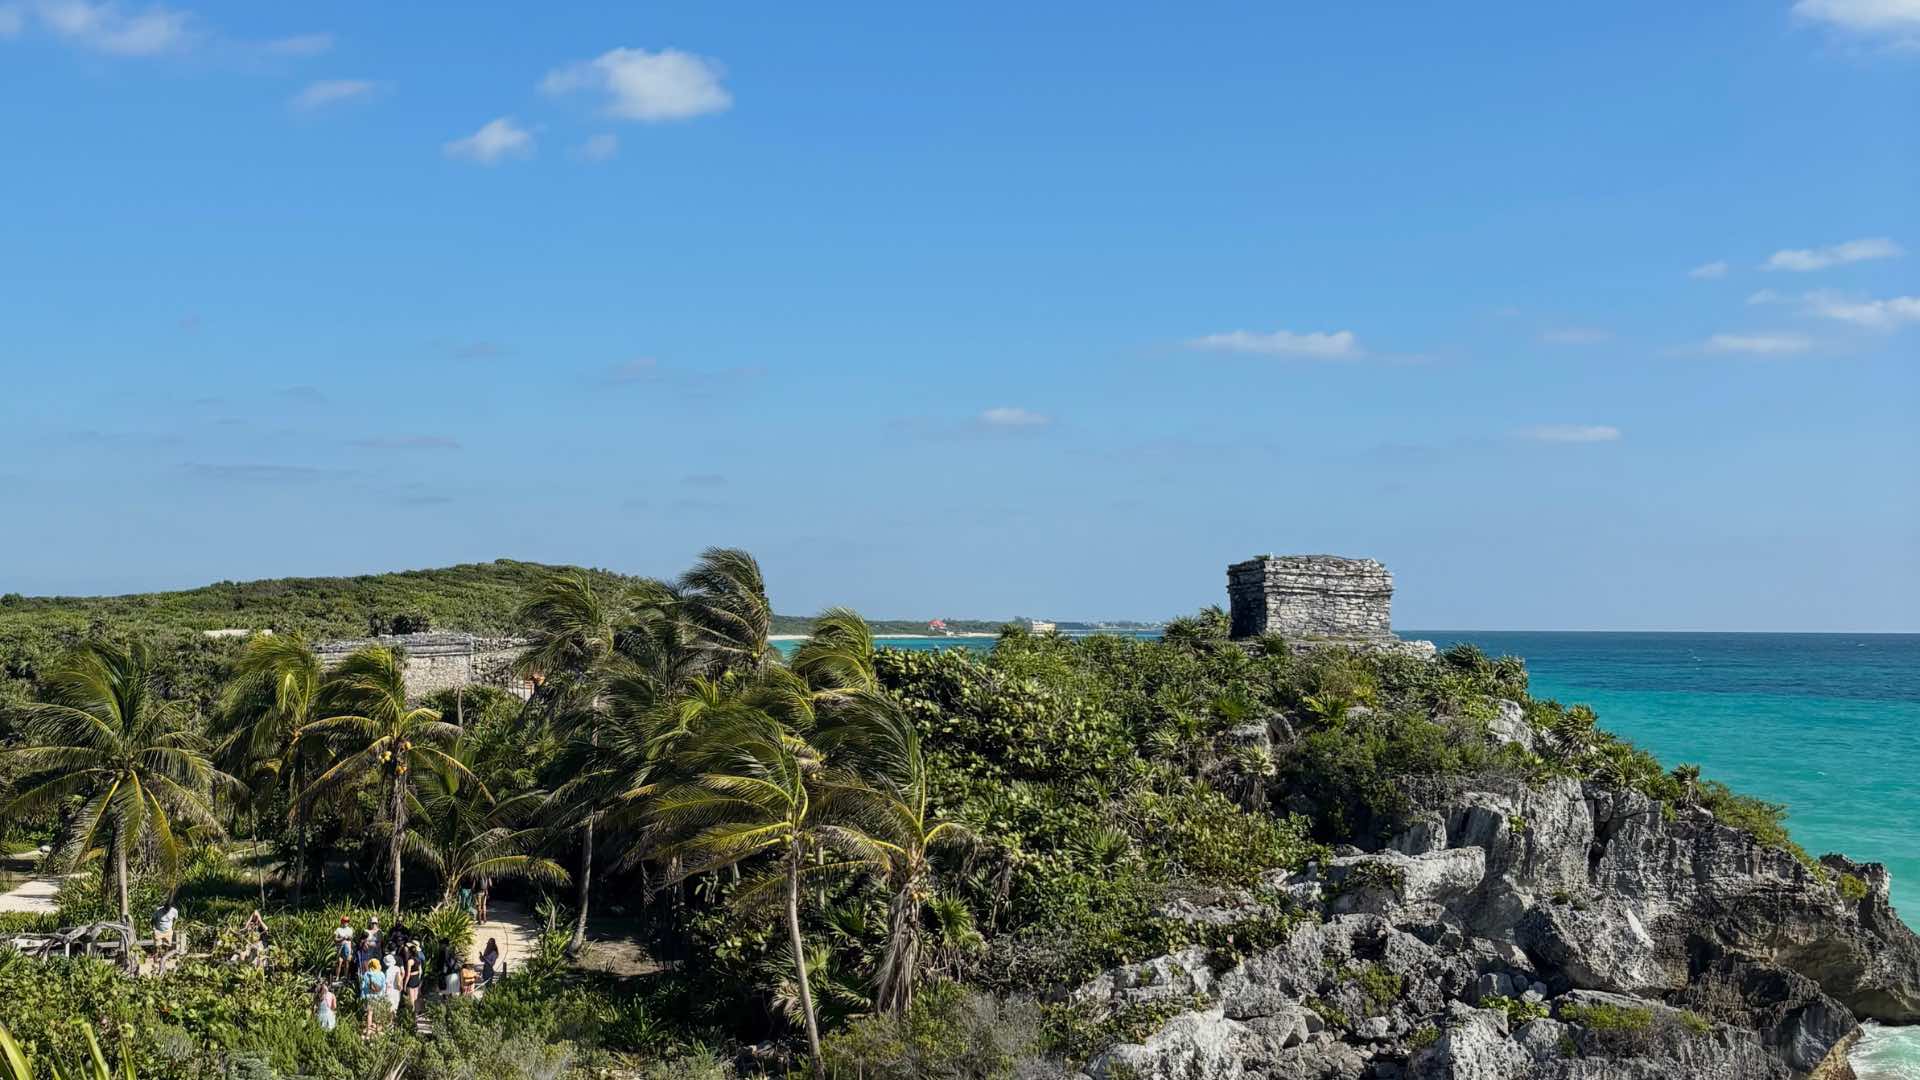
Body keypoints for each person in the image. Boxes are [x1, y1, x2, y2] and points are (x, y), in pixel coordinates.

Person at [359, 959, 388, 1036]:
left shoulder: (366, 974)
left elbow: (362, 987)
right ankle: (378, 1029)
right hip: (379, 997)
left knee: (369, 1014)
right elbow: (384, 986)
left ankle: (368, 1030)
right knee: (378, 1013)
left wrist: (362, 996)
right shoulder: (381, 974)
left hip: (369, 997)